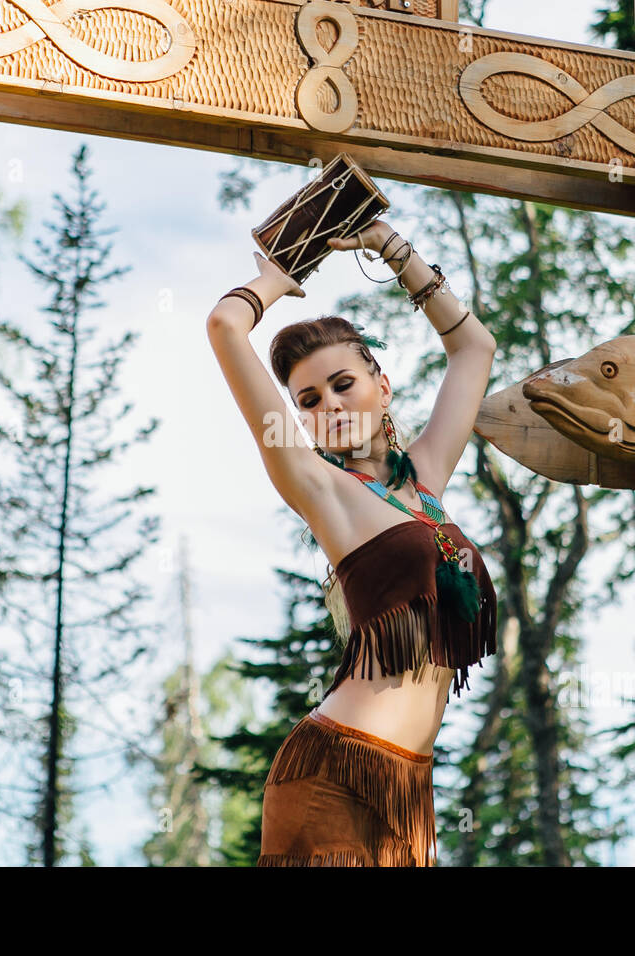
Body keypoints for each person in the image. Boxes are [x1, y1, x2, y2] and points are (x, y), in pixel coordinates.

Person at [205, 218, 499, 866]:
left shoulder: (423, 481)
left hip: (410, 788)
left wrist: (392, 249)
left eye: (344, 383)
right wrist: (276, 279)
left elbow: (475, 349)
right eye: (307, 399)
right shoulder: (318, 486)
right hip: (335, 770)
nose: (329, 404)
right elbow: (225, 328)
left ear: (382, 386)